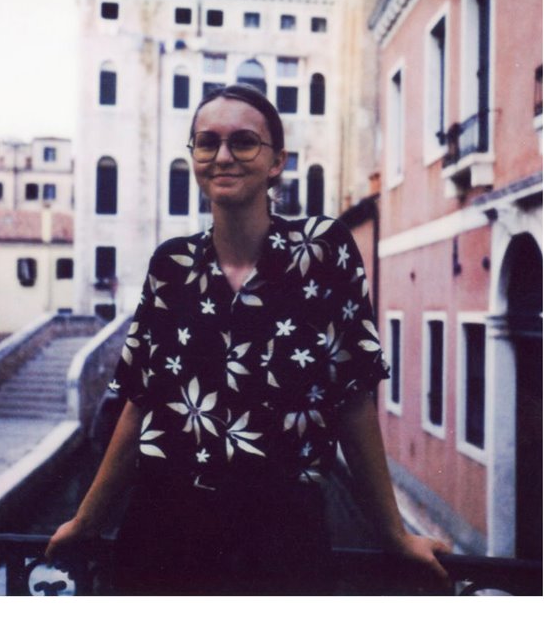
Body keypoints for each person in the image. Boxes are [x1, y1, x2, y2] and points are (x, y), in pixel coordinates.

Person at [44, 84, 450, 594]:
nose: (222, 156)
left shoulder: (324, 253)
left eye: (243, 142)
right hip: (162, 529)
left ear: (277, 161)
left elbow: (353, 401)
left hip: (280, 535)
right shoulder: (171, 265)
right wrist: (86, 523)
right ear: (193, 156)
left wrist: (393, 535)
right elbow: (140, 404)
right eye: (207, 142)